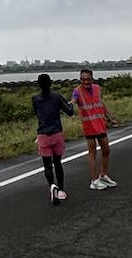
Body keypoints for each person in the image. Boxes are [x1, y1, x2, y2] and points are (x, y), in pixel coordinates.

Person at [32, 73, 74, 204]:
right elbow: (70, 111)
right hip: (56, 133)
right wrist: (71, 103)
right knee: (57, 163)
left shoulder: (35, 99)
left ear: (38, 85)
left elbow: (37, 114)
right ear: (51, 83)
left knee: (47, 165)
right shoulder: (56, 97)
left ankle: (51, 186)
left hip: (43, 135)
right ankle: (61, 190)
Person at [71, 68, 115, 190]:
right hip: (89, 125)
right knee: (92, 152)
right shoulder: (77, 91)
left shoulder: (97, 89)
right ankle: (94, 180)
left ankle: (104, 175)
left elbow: (101, 103)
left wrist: (109, 117)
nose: (85, 82)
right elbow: (73, 101)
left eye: (88, 79)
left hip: (100, 124)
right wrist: (68, 106)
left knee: (106, 150)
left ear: (92, 79)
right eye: (83, 80)